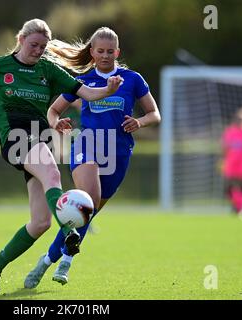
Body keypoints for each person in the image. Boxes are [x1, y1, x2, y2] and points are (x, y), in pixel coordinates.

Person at [0, 19, 123, 292]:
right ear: (20, 40)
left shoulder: (48, 70)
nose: (37, 51)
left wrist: (107, 90)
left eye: (42, 47)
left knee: (41, 222)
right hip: (14, 137)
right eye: (34, 45)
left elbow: (85, 93)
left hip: (40, 137)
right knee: (53, 173)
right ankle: (70, 231)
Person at [24, 27, 161, 288]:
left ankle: (45, 261)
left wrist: (140, 122)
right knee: (87, 200)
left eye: (111, 51)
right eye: (100, 51)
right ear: (92, 52)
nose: (106, 55)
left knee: (86, 214)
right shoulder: (83, 80)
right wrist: (56, 123)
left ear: (117, 52)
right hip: (86, 144)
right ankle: (67, 261)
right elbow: (53, 110)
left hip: (119, 153)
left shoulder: (132, 79)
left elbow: (155, 114)